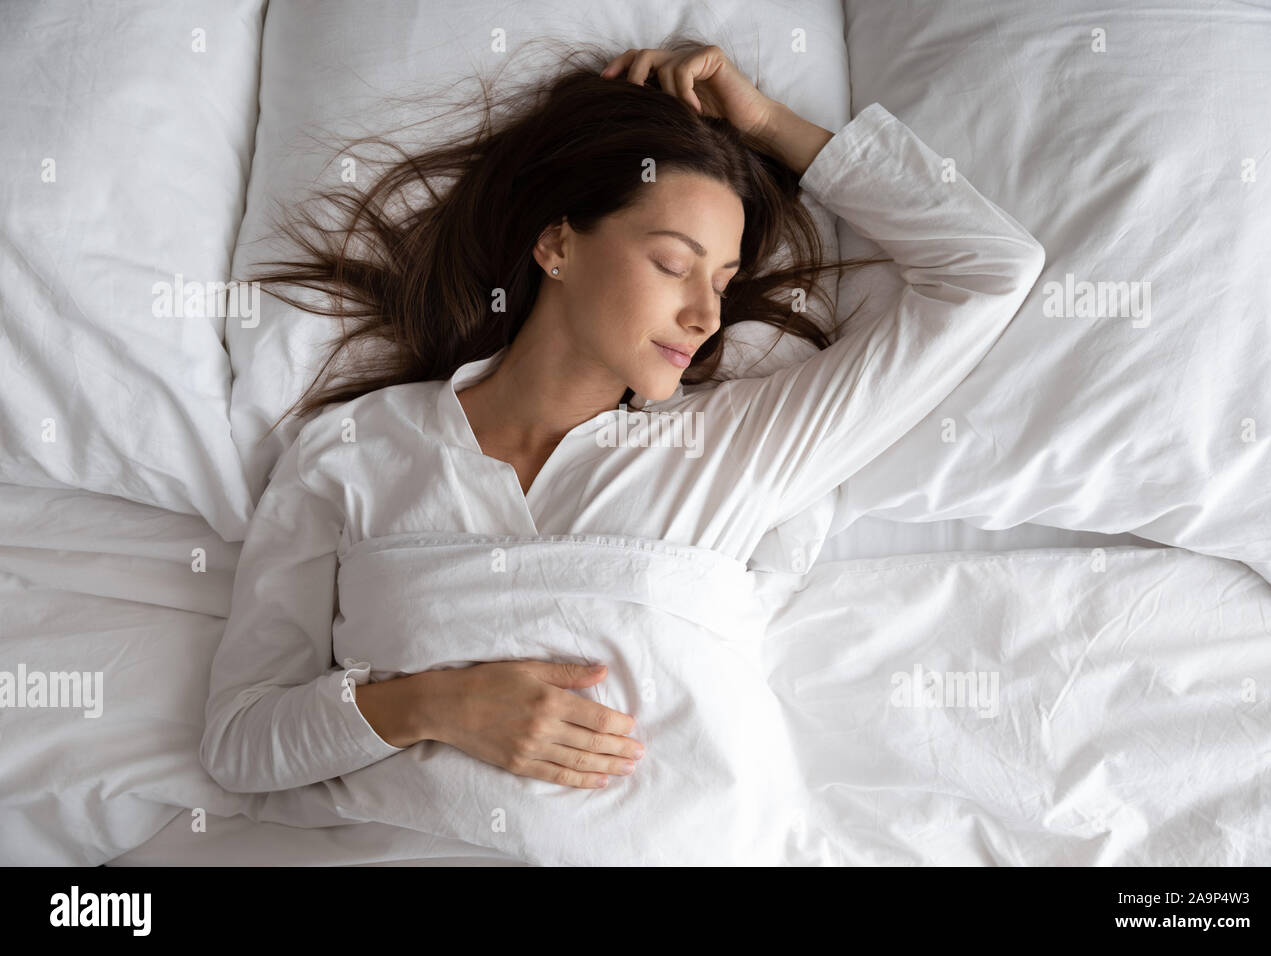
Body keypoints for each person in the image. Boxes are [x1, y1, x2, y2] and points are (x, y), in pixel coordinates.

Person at [201, 40, 1045, 798]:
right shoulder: (353, 453)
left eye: (721, 281)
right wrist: (433, 703)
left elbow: (990, 269)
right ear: (558, 246)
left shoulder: (734, 447)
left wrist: (767, 122)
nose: (706, 314)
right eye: (674, 264)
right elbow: (240, 742)